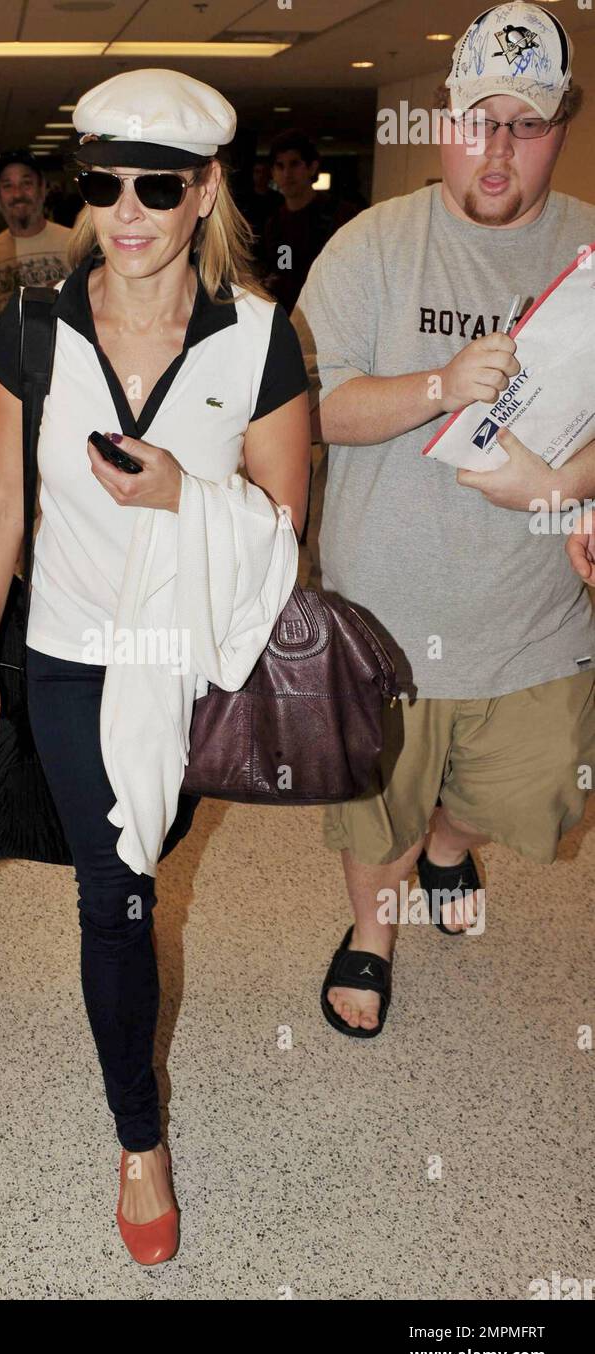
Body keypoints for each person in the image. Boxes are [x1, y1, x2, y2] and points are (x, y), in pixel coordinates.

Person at [0, 68, 310, 1265]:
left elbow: (280, 529)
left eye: (159, 184)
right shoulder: (28, 322)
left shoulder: (261, 338)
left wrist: (182, 496)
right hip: (66, 652)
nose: (129, 210)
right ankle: (140, 1139)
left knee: (148, 854)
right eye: (103, 184)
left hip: (187, 663)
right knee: (115, 893)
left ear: (206, 190)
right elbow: (1, 501)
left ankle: (135, 1067)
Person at [290, 2, 595, 1037]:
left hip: (535, 617)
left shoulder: (591, 250)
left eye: (529, 122)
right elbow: (311, 409)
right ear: (443, 120)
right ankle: (373, 934)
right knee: (380, 807)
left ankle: (453, 842)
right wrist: (439, 382)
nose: (499, 149)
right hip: (388, 613)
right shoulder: (372, 247)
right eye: (480, 120)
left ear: (563, 124)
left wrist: (558, 486)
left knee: (535, 795)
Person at [262, 128, 358, 313]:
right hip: (291, 315)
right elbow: (283, 269)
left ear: (311, 167)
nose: (287, 174)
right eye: (280, 166)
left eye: (294, 164)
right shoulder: (276, 223)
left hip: (333, 311)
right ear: (273, 172)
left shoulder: (340, 215)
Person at [0, 151, 73, 314]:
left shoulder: (74, 242)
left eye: (26, 183)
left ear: (43, 188)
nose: (17, 194)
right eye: (7, 186)